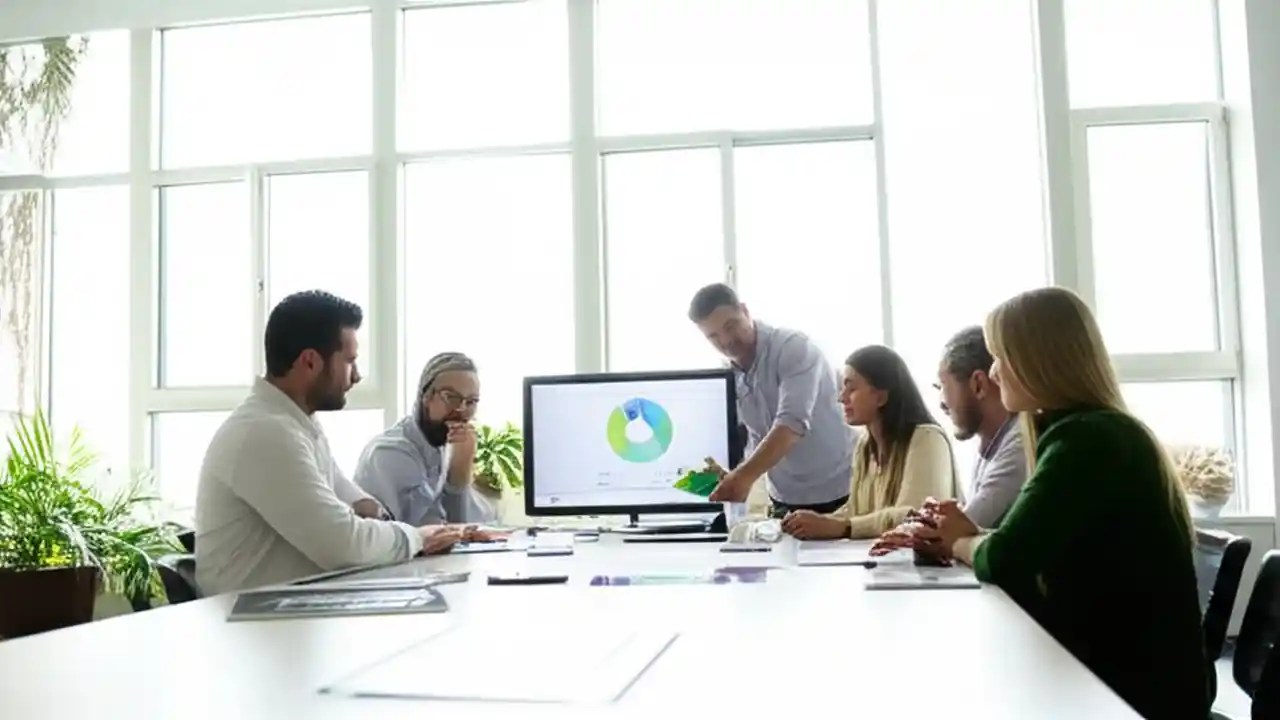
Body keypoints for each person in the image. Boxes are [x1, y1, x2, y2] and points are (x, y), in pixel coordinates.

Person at [909, 287, 1209, 720]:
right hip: (1118, 674)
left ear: (1038, 360)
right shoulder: (1094, 431)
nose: (993, 372)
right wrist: (972, 537)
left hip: (1128, 691)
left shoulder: (1087, 440)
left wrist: (960, 541)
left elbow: (1008, 559)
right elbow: (1034, 546)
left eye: (1001, 357)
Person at [195, 291, 464, 595]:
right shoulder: (264, 432)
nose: (358, 376)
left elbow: (353, 499)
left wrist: (379, 515)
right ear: (310, 362)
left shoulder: (298, 424)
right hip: (250, 625)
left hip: (287, 612)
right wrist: (417, 538)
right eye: (350, 361)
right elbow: (344, 545)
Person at [688, 283, 853, 515]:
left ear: (745, 311)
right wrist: (731, 474)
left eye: (730, 326)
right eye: (713, 336)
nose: (726, 340)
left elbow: (791, 423)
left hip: (839, 491)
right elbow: (751, 438)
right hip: (783, 498)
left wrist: (743, 477)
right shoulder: (729, 375)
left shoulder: (794, 347)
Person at [782, 345, 959, 540]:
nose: (842, 398)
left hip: (934, 569)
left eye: (851, 388)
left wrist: (841, 526)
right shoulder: (865, 445)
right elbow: (856, 512)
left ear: (881, 397)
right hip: (886, 565)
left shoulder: (927, 439)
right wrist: (810, 523)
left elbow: (916, 516)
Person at [354, 352, 496, 526]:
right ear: (426, 396)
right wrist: (458, 474)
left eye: (471, 401)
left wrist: (461, 468)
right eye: (451, 397)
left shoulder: (442, 444)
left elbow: (473, 526)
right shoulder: (389, 453)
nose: (461, 409)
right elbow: (432, 531)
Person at [936, 326, 1026, 528]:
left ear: (979, 384)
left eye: (943, 385)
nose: (941, 402)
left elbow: (966, 528)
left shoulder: (1020, 441)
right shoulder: (991, 440)